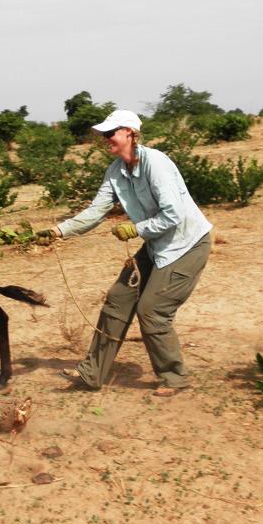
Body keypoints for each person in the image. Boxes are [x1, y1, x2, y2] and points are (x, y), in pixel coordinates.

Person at [36, 109, 212, 397]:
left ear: (129, 132)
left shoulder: (156, 163)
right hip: (157, 246)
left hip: (186, 245)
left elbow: (174, 214)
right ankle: (92, 373)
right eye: (104, 135)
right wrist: (58, 231)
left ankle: (175, 376)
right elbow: (95, 212)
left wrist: (136, 229)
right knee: (118, 298)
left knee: (152, 311)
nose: (106, 140)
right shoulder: (116, 171)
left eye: (110, 134)